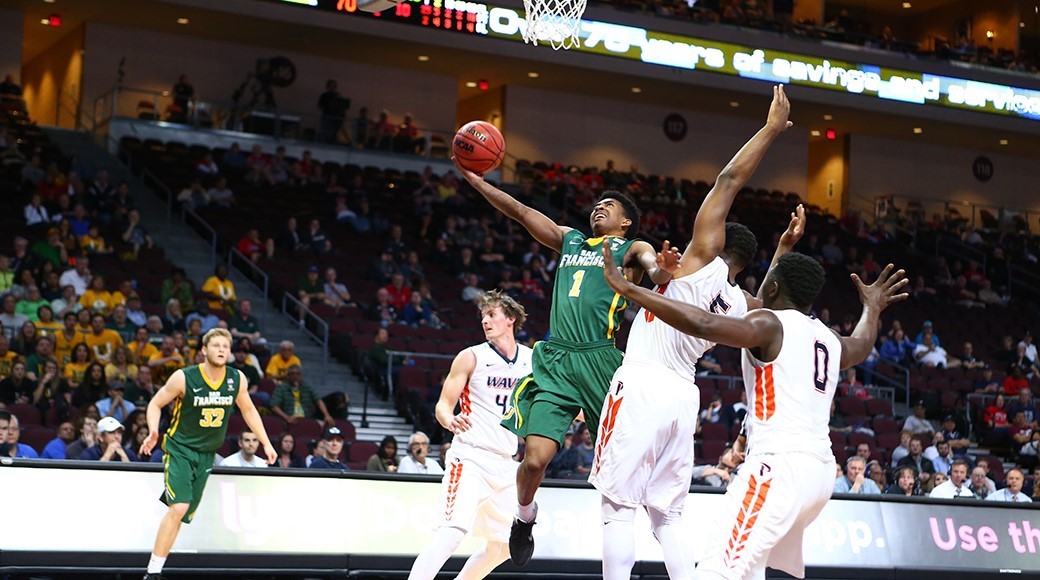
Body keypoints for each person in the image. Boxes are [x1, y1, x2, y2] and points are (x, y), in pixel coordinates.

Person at [599, 242, 907, 579]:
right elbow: (861, 345)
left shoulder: (769, 324)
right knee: (747, 569)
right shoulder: (828, 338)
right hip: (819, 474)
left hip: (778, 467)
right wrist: (873, 307)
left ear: (773, 286)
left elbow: (703, 323)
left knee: (716, 568)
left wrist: (629, 288)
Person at [587, 85, 794, 580]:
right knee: (666, 516)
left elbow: (728, 179)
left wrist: (769, 130)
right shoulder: (742, 303)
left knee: (618, 508)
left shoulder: (699, 256)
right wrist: (783, 252)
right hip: (684, 398)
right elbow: (770, 302)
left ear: (721, 242)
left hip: (642, 381)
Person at [456, 135, 679, 568]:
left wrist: (662, 272)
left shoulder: (632, 248)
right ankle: (524, 516)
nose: (599, 207)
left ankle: (644, 535)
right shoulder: (571, 240)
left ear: (626, 222)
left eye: (609, 206)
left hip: (602, 360)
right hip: (557, 357)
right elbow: (520, 211)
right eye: (597, 203)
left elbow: (653, 266)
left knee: (618, 462)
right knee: (535, 458)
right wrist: (477, 181)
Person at [407, 291, 533, 580]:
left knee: (503, 546)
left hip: (506, 462)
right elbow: (442, 405)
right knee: (452, 533)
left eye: (492, 315)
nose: (485, 321)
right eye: (483, 316)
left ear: (510, 319)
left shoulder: (530, 358)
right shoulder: (471, 356)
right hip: (471, 456)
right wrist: (450, 420)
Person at [139, 328, 277, 580]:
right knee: (179, 507)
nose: (222, 349)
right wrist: (152, 432)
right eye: (216, 345)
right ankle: (152, 573)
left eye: (226, 346)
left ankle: (157, 568)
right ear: (204, 350)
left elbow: (249, 411)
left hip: (207, 454)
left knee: (181, 514)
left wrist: (266, 443)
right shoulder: (184, 377)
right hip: (179, 448)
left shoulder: (237, 379)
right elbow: (155, 404)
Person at [269, 365, 336, 425]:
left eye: (298, 374)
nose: (295, 376)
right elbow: (273, 405)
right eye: (292, 374)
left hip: (307, 418)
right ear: (288, 376)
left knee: (324, 425)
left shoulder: (307, 387)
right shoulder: (282, 388)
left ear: (301, 376)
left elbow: (318, 401)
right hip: (289, 419)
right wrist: (286, 417)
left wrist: (327, 415)